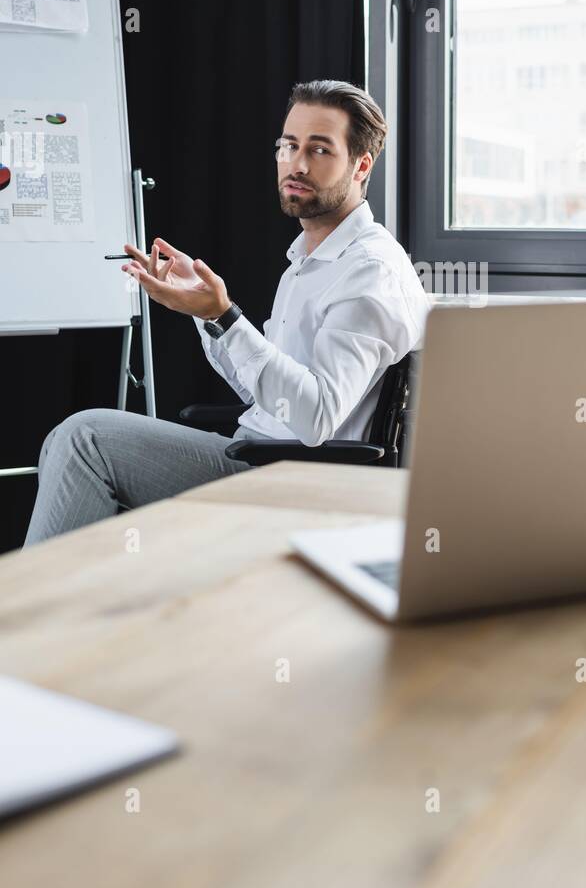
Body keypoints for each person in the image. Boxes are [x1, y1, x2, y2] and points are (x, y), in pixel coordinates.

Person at [24, 80, 428, 545]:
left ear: (361, 165)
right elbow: (266, 395)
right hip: (258, 454)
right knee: (62, 444)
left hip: (288, 480)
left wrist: (229, 318)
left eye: (319, 150)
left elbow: (316, 418)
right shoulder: (311, 258)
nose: (296, 164)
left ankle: (27, 614)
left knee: (85, 440)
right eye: (289, 146)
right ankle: (70, 608)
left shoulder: (369, 271)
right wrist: (210, 314)